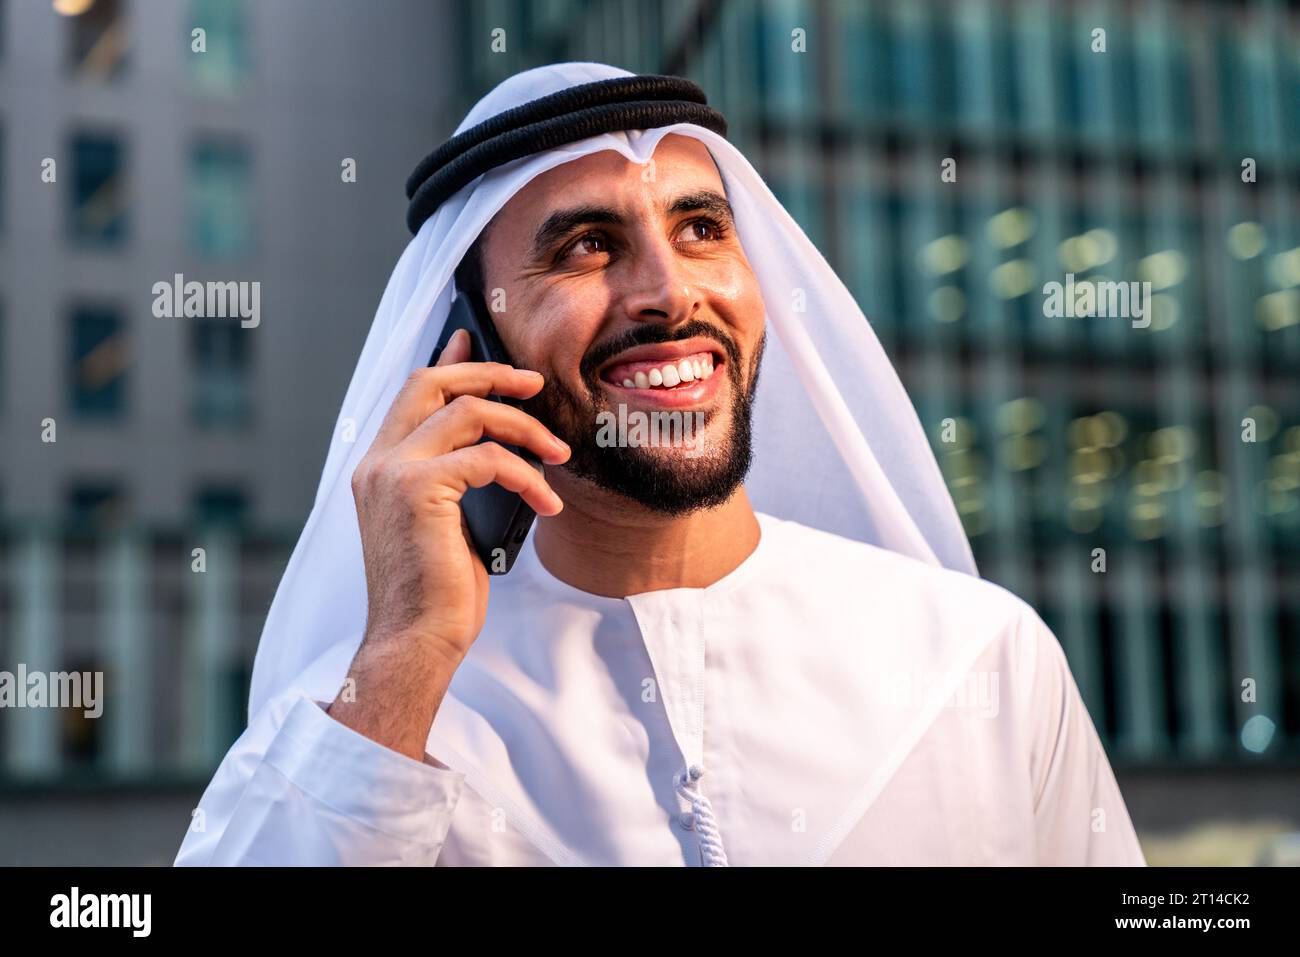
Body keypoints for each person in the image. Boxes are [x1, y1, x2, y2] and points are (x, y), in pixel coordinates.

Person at [175, 62, 1145, 866]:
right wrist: (405, 657)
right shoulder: (354, 732)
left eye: (701, 230)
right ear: (468, 344)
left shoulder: (979, 661)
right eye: (588, 247)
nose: (670, 293)